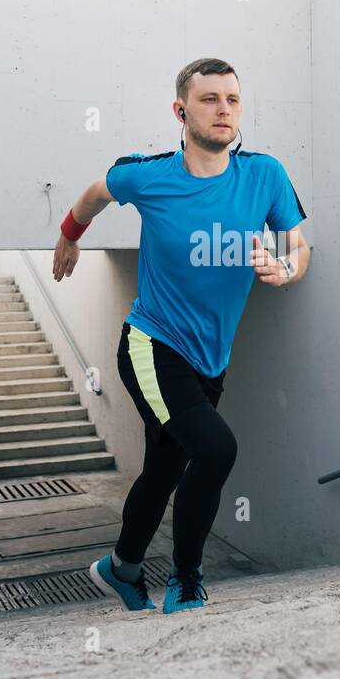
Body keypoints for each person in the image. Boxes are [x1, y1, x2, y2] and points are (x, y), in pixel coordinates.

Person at [51, 57, 310, 614]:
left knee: (166, 468)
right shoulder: (150, 176)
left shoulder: (265, 175)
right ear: (181, 110)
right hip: (151, 345)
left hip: (209, 361)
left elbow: (298, 245)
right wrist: (70, 235)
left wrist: (286, 269)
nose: (224, 110)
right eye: (210, 99)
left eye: (233, 100)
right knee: (216, 450)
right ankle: (186, 580)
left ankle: (121, 568)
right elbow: (97, 190)